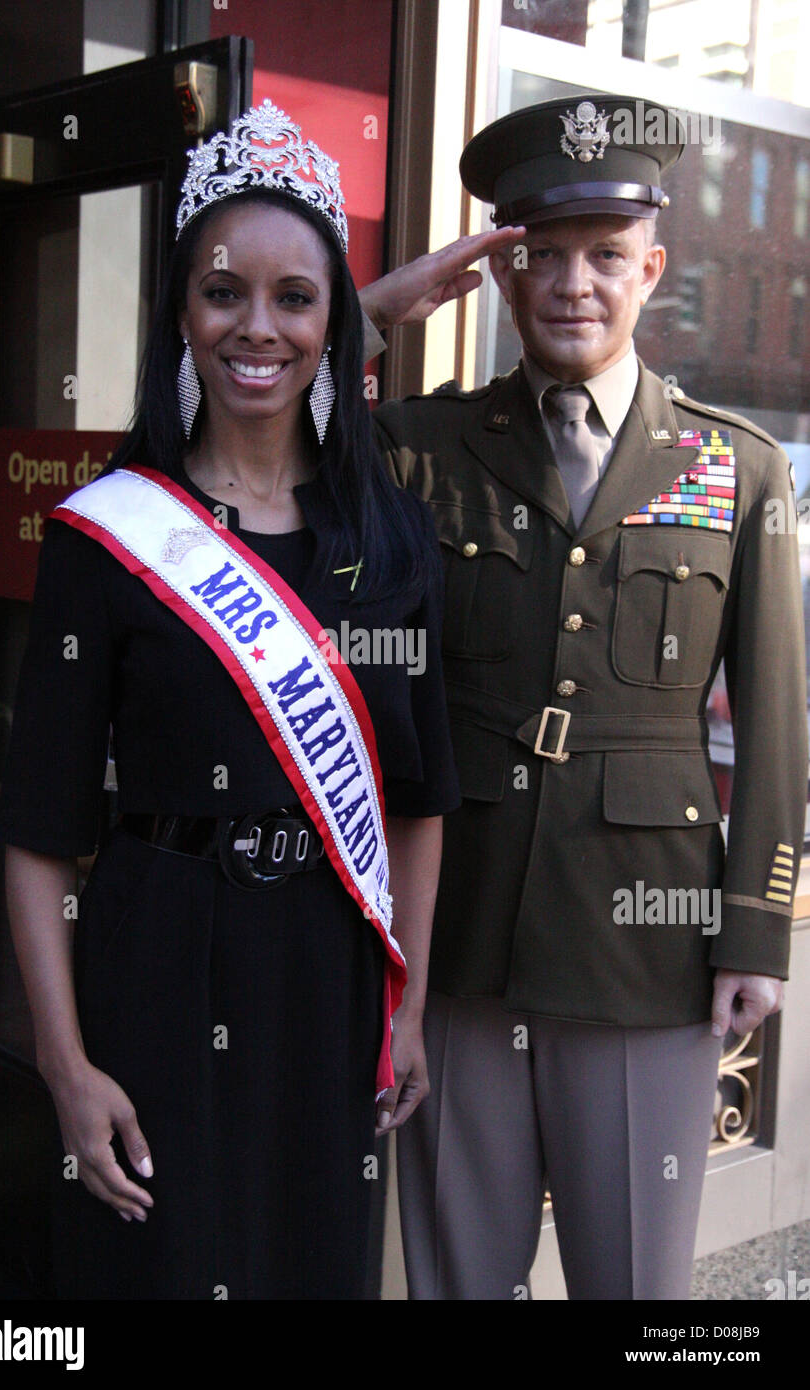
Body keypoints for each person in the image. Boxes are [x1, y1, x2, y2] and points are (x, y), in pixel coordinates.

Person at [0, 98, 460, 1301]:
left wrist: (404, 1011)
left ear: (332, 323)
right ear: (180, 316)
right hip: (154, 959)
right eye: (222, 291)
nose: (256, 327)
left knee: (310, 1265)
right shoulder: (108, 539)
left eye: (294, 297)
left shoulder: (390, 539)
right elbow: (41, 833)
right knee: (154, 1268)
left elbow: (414, 801)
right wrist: (64, 1064)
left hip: (326, 971)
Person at [358, 94, 807, 1299]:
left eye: (605, 255)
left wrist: (755, 931)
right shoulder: (418, 449)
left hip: (645, 950)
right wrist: (375, 311)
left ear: (649, 270)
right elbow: (237, 431)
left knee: (635, 1289)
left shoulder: (736, 468)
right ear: (502, 274)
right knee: (457, 1275)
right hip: (458, 947)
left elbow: (773, 725)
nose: (573, 284)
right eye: (542, 255)